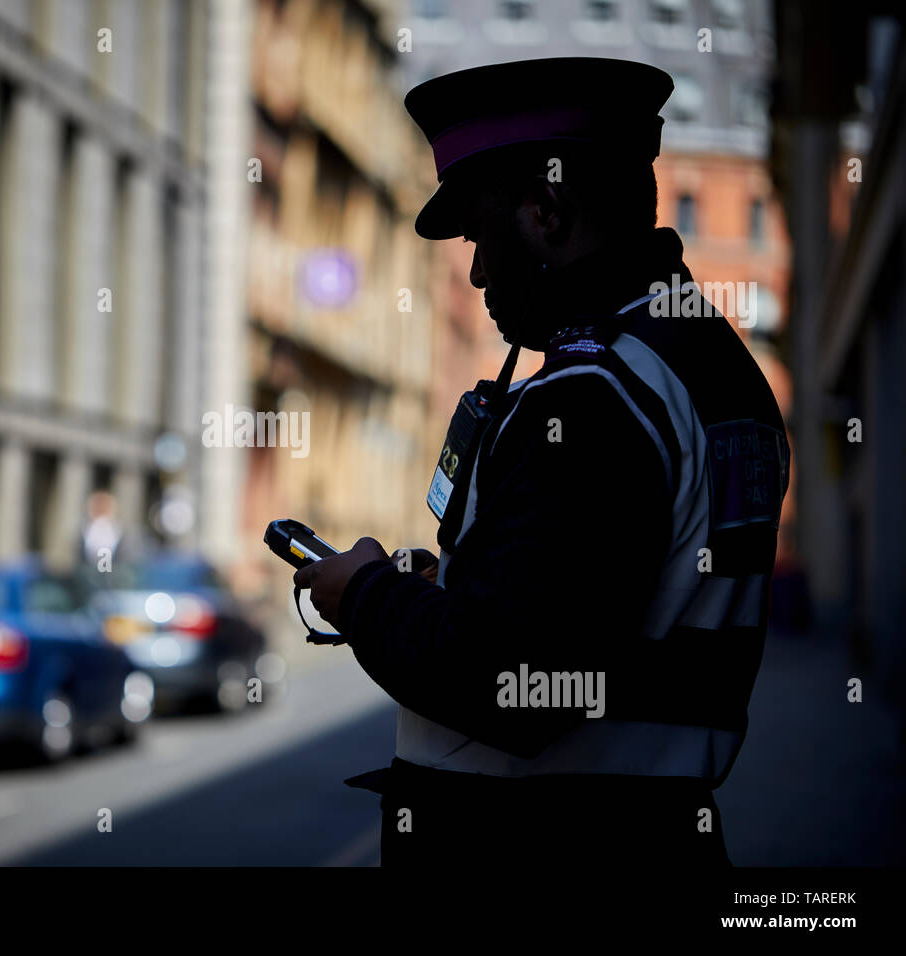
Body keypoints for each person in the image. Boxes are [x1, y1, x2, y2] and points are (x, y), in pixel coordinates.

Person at [293, 58, 789, 869]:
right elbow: (596, 610)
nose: (479, 271)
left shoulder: (593, 396)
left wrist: (364, 594)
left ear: (547, 210)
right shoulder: (714, 366)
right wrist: (454, 593)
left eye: (481, 238)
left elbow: (510, 678)